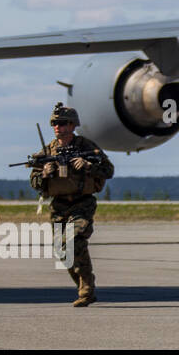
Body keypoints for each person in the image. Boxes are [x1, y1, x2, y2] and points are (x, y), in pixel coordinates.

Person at [27, 103, 115, 307]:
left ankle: (86, 290)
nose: (58, 127)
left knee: (74, 240)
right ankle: (84, 285)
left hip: (81, 203)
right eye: (55, 123)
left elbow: (108, 171)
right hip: (58, 206)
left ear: (73, 125)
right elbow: (34, 182)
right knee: (62, 250)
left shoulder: (86, 147)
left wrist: (89, 166)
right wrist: (44, 174)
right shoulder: (47, 151)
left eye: (63, 123)